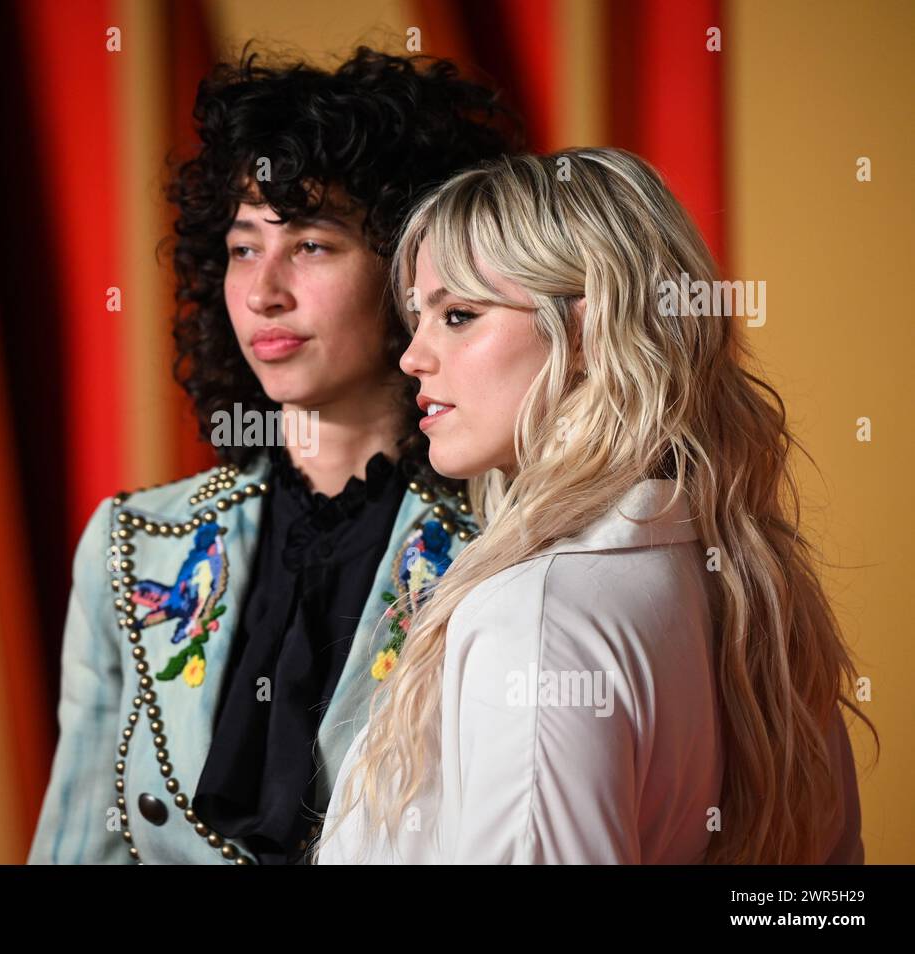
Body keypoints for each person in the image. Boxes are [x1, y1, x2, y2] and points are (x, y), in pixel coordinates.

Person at [27, 46, 520, 864]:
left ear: (413, 268)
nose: (264, 292)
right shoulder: (134, 546)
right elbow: (77, 845)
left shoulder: (505, 547)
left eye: (312, 246)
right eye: (244, 247)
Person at [317, 148, 875, 864]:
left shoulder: (538, 616)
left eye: (458, 315)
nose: (412, 357)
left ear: (586, 329)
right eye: (417, 318)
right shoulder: (753, 588)